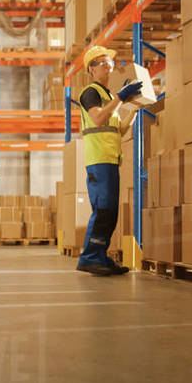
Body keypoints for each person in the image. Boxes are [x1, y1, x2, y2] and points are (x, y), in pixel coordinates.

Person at [75, 46, 141, 277]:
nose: (108, 67)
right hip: (99, 159)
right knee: (103, 210)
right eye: (102, 63)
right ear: (92, 69)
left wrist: (134, 109)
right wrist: (122, 97)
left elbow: (119, 129)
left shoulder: (110, 97)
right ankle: (89, 258)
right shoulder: (90, 93)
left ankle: (100, 257)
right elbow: (99, 118)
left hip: (110, 159)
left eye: (110, 63)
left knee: (110, 212)